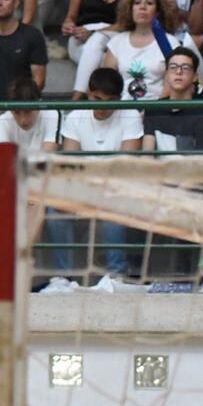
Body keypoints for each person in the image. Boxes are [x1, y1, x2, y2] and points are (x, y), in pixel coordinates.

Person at [59, 66, 143, 276]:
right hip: (84, 188)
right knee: (55, 209)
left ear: (119, 98)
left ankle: (116, 275)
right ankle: (63, 277)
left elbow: (126, 166)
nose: (102, 107)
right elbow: (70, 165)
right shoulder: (75, 117)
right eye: (97, 99)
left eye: (109, 101)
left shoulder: (130, 115)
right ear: (89, 93)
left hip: (117, 188)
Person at [102, 0, 194, 101]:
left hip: (157, 111)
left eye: (149, 3)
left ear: (157, 11)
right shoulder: (116, 42)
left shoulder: (170, 43)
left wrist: (152, 112)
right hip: (122, 111)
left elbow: (172, 85)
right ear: (130, 9)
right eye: (137, 3)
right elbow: (107, 84)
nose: (142, 7)